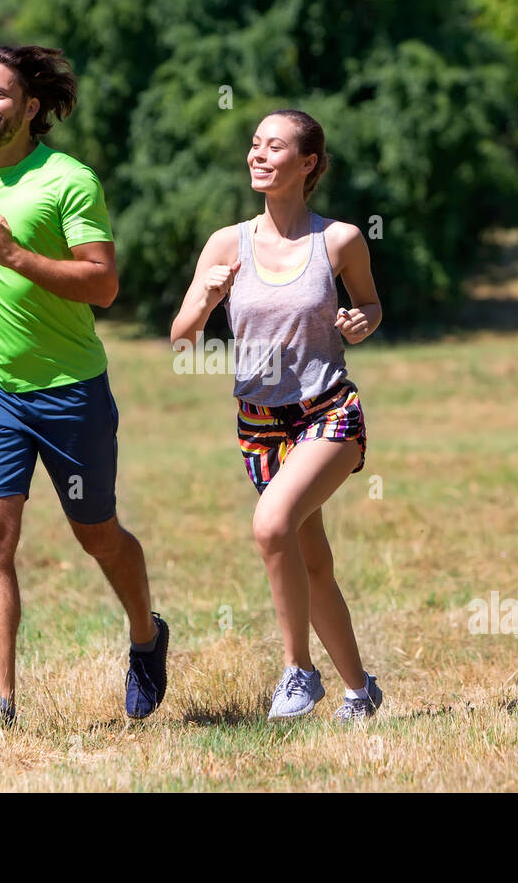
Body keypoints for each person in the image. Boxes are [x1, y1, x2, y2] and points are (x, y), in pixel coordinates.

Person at [0, 45, 167, 733]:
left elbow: (102, 283)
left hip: (69, 392)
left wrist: (20, 256)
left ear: (31, 108)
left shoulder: (67, 180)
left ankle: (146, 636)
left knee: (97, 536)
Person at [169, 109, 384, 721]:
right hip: (260, 424)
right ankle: (360, 690)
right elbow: (181, 339)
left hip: (328, 412)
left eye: (275, 146)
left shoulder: (338, 240)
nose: (258, 155)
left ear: (308, 163)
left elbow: (369, 306)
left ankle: (297, 671)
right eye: (255, 145)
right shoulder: (226, 244)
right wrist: (208, 299)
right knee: (311, 561)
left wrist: (361, 322)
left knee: (270, 527)